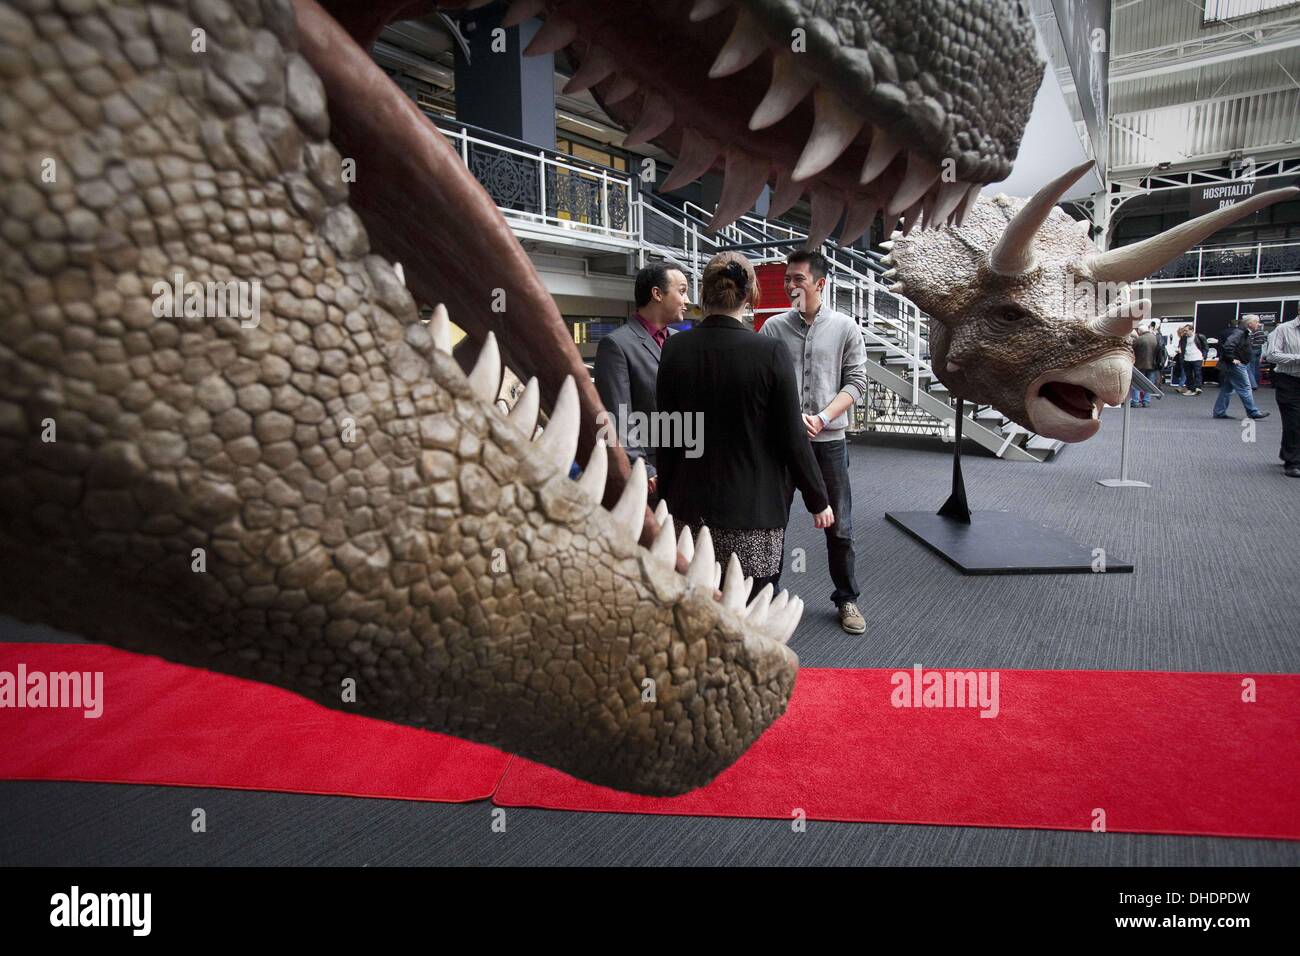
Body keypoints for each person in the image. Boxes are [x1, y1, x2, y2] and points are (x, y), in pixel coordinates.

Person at [657, 253, 833, 600]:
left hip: (689, 511)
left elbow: (667, 434)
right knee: (752, 615)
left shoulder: (675, 348)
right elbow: (792, 439)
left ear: (704, 293)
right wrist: (818, 499)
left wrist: (665, 501)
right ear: (751, 294)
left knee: (693, 610)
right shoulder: (769, 351)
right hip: (753, 515)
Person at [760, 250, 869, 635]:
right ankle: (765, 598)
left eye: (798, 279)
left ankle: (847, 599)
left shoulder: (845, 327)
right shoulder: (772, 328)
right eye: (787, 279)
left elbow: (856, 383)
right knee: (771, 522)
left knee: (839, 526)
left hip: (830, 442)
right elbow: (761, 383)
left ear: (820, 284)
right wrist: (789, 419)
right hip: (781, 444)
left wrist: (823, 417)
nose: (790, 286)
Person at [594, 261, 688, 500]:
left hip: (688, 471)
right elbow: (617, 416)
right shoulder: (616, 345)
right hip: (651, 479)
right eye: (682, 291)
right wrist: (642, 470)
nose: (687, 301)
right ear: (657, 294)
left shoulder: (680, 342)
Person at [1263, 314, 1300, 478]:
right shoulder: (1284, 329)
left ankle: (1288, 453)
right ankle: (1293, 462)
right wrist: (1298, 359)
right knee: (1293, 421)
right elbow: (1271, 355)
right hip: (1289, 381)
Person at [1213, 314, 1269, 420]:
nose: (1258, 324)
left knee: (1227, 389)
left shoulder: (1242, 332)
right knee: (1245, 388)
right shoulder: (1240, 333)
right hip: (1236, 365)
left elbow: (1229, 346)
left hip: (1234, 365)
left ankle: (1219, 412)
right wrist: (1232, 359)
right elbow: (1228, 346)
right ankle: (1253, 412)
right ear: (1250, 323)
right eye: (1256, 322)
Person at [1130, 324, 1161, 406]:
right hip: (1153, 365)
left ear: (1140, 331)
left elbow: (1132, 350)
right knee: (1149, 384)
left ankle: (1135, 401)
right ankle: (1146, 401)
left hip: (1140, 365)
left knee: (1137, 384)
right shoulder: (1156, 338)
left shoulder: (1139, 339)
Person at [1176, 324, 1207, 396]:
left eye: (1186, 331)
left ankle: (1198, 388)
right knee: (1188, 375)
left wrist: (1203, 356)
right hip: (1187, 358)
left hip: (1197, 357)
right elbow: (1182, 347)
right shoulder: (1183, 338)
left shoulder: (1199, 337)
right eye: (1184, 331)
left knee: (1197, 373)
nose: (1185, 332)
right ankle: (1190, 389)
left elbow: (1205, 346)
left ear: (1192, 330)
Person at [1248, 316, 1269, 389]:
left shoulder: (1253, 331)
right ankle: (1257, 382)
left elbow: (1250, 342)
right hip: (1259, 349)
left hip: (1253, 350)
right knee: (1257, 367)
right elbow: (1263, 341)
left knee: (1251, 367)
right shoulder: (1261, 331)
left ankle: (1253, 384)